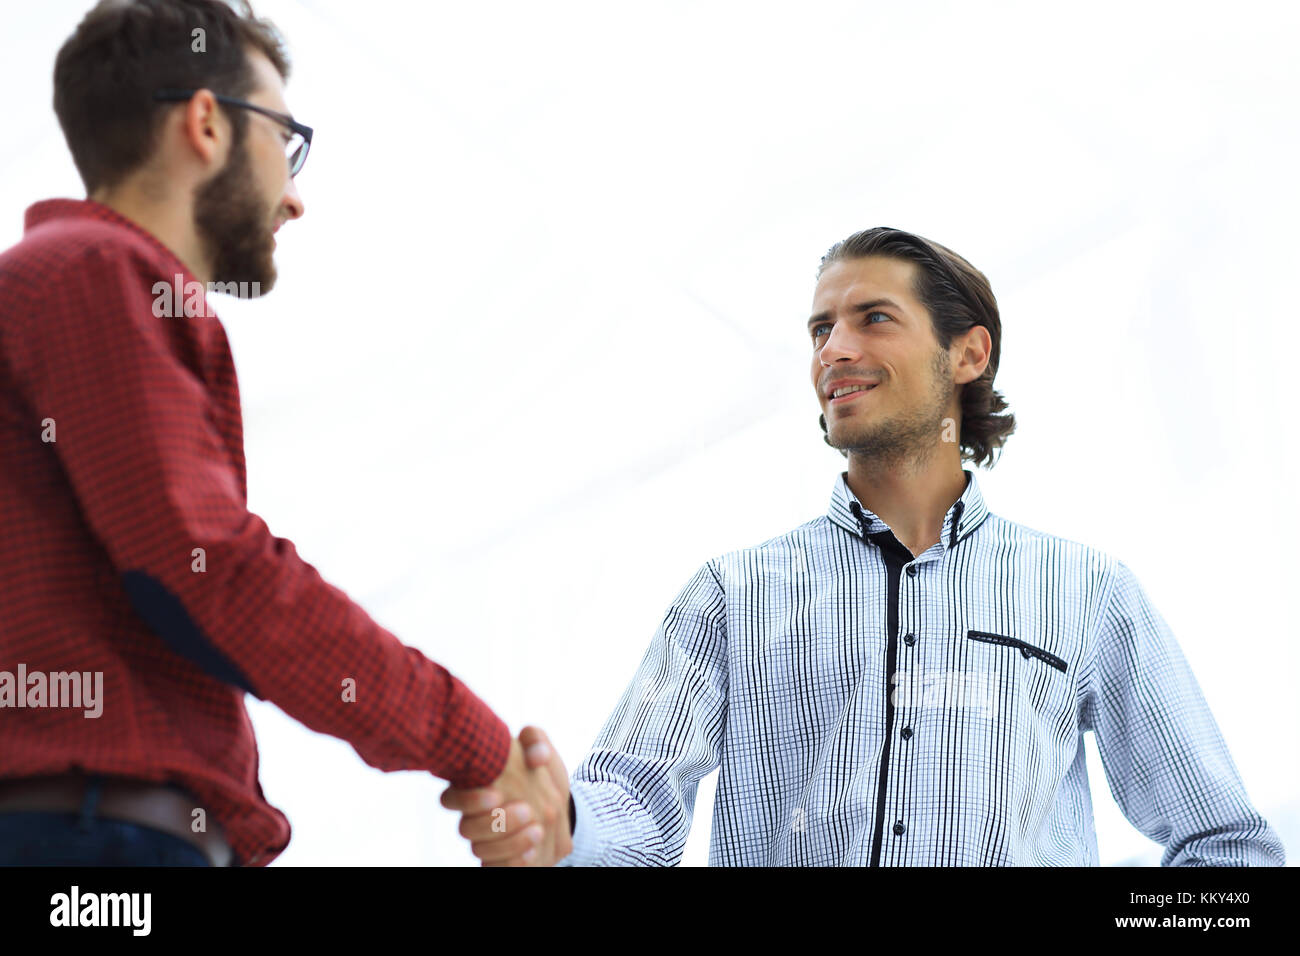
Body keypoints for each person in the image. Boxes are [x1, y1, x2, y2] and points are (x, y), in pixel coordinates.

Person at [444, 226, 1285, 867]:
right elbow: (633, 802)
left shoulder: (1086, 592)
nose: (833, 350)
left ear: (968, 351)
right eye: (820, 330)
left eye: (871, 318)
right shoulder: (732, 594)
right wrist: (566, 823)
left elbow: (1229, 846)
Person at [0, 0, 567, 867]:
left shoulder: (52, 287)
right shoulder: (95, 270)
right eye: (286, 139)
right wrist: (475, 744)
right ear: (206, 122)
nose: (295, 197)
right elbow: (208, 572)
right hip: (89, 840)